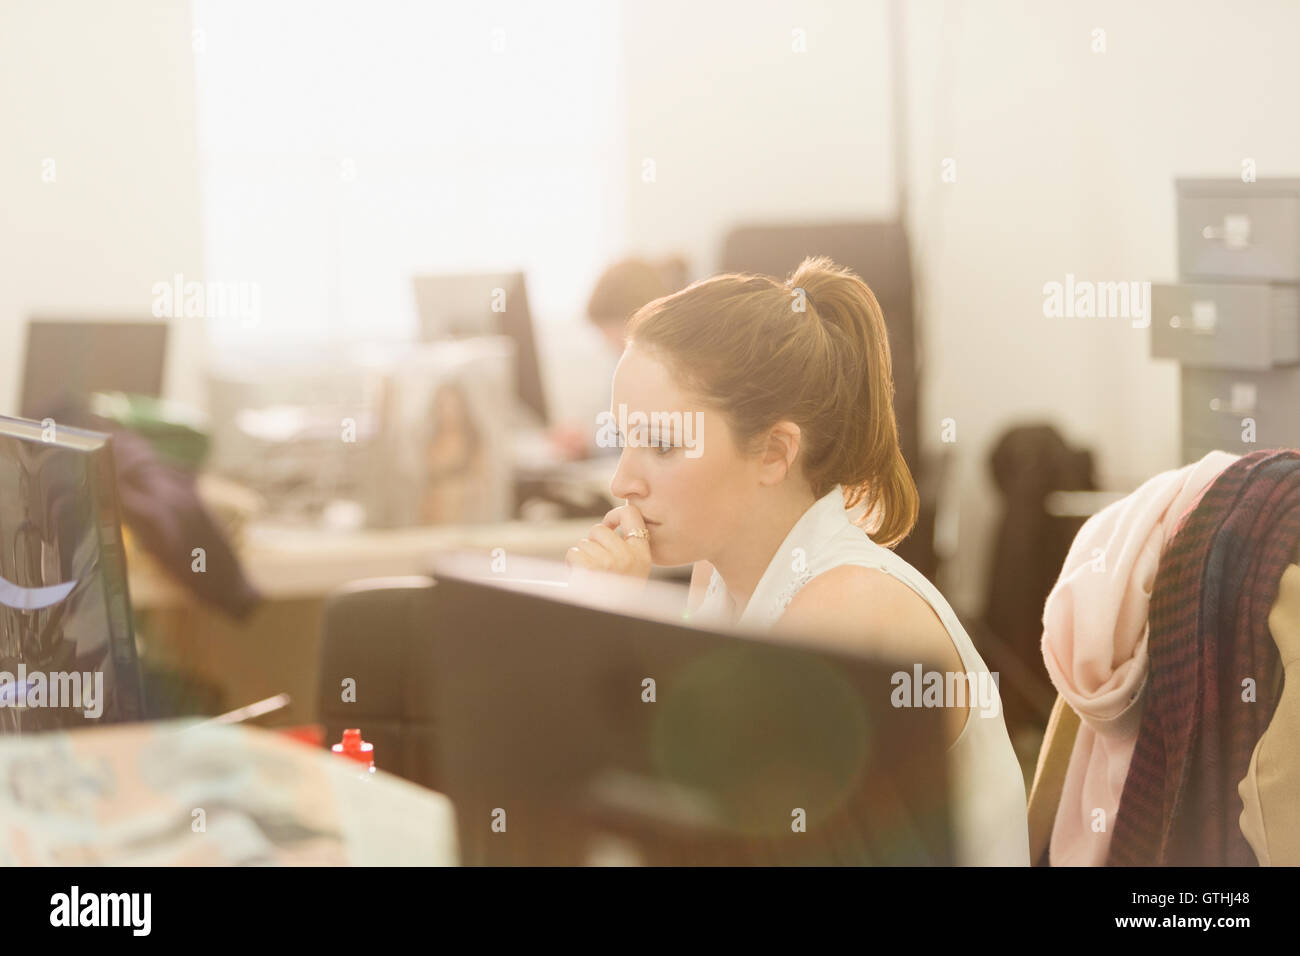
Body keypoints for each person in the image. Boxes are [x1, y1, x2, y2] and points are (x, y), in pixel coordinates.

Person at [564, 256, 1030, 866]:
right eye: (625, 440)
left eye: (663, 445)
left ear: (774, 452)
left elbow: (712, 842)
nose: (623, 482)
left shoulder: (850, 609)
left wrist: (609, 623)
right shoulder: (718, 578)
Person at [547, 256, 688, 461]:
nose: (615, 350)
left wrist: (593, 442)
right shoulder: (626, 365)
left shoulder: (678, 371)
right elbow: (620, 428)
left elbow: (657, 436)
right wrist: (588, 441)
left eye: (619, 342)